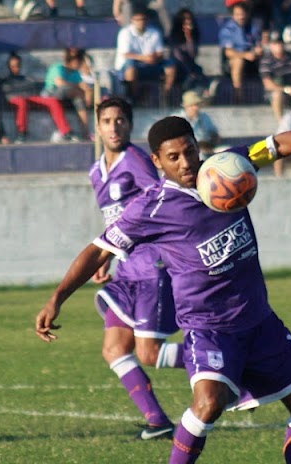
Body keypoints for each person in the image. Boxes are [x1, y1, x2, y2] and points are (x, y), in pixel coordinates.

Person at [35, 112, 291, 464]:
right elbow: (97, 250)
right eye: (174, 156)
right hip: (209, 326)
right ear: (157, 162)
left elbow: (274, 145)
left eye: (190, 151)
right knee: (209, 403)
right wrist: (57, 297)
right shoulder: (151, 208)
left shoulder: (229, 166)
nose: (186, 162)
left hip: (259, 321)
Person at [85, 96, 187, 439]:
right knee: (114, 349)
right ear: (97, 127)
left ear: (130, 125)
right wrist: (108, 255)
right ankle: (157, 420)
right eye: (107, 121)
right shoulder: (96, 171)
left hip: (151, 268)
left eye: (121, 121)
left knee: (149, 353)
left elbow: (160, 201)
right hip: (127, 270)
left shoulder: (137, 162)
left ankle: (225, 359)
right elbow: (117, 221)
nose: (114, 127)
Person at [115, 10, 176, 104]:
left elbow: (160, 52)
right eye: (138, 19)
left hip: (151, 63)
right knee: (130, 65)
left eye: (143, 19)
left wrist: (154, 58)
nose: (141, 22)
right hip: (130, 65)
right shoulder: (125, 33)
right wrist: (145, 58)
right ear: (132, 20)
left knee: (170, 64)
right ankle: (133, 97)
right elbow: (125, 54)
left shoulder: (155, 32)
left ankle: (166, 95)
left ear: (147, 20)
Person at [42, 46, 91, 141]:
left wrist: (88, 92)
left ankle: (86, 132)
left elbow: (84, 86)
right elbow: (60, 83)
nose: (80, 64)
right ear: (74, 61)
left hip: (68, 97)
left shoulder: (75, 73)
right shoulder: (58, 68)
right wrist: (80, 89)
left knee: (79, 100)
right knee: (69, 89)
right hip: (51, 94)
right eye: (80, 62)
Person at [218, 1, 264, 104]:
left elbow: (258, 45)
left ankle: (267, 93)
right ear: (233, 15)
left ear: (247, 14)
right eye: (238, 14)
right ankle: (238, 94)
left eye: (242, 14)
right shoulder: (227, 30)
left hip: (252, 60)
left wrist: (258, 51)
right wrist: (245, 55)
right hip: (232, 63)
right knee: (238, 61)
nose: (241, 17)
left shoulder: (254, 28)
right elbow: (228, 52)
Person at [260, 32, 291, 122]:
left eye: (280, 43)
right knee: (277, 95)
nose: (278, 46)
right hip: (279, 91)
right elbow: (268, 84)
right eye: (275, 43)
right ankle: (281, 123)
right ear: (270, 45)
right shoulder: (266, 61)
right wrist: (286, 89)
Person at [168, 8, 209, 96]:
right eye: (185, 19)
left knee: (199, 72)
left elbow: (193, 55)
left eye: (189, 19)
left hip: (190, 65)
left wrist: (189, 38)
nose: (188, 22)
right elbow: (178, 56)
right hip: (178, 66)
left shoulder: (194, 36)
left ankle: (204, 94)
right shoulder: (174, 36)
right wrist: (190, 71)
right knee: (188, 74)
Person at [175, 90, 220, 156]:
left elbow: (214, 133)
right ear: (186, 106)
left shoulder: (204, 117)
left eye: (197, 105)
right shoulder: (177, 119)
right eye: (193, 105)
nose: (196, 108)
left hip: (207, 148)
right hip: (187, 151)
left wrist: (212, 144)